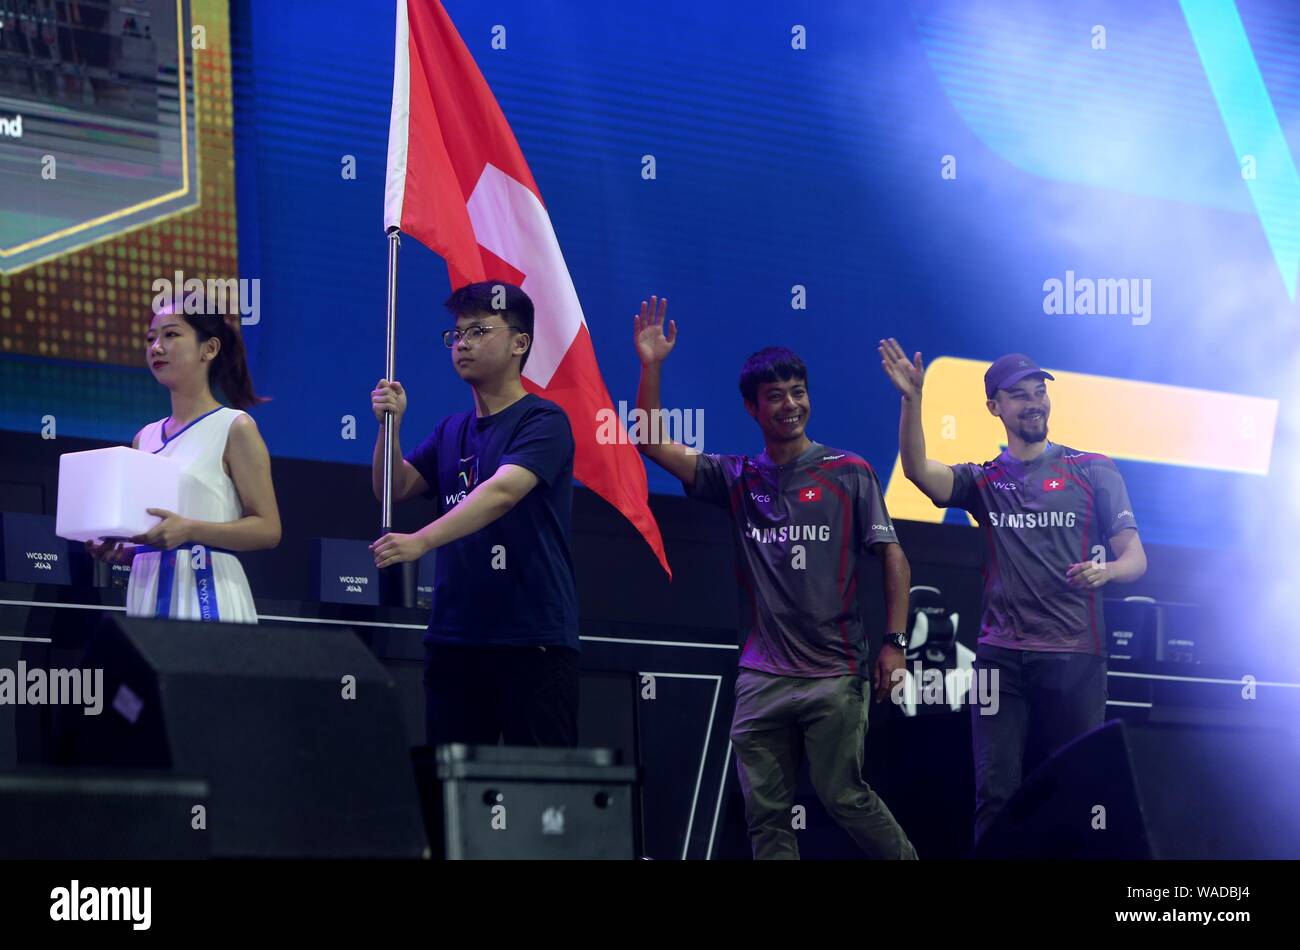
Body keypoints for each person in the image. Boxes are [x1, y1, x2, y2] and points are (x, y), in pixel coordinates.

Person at [634, 295, 917, 860]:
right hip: (761, 676)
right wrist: (651, 366)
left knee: (844, 796)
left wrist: (894, 644)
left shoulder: (850, 472)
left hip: (834, 672)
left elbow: (893, 558)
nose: (790, 404)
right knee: (765, 816)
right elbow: (649, 442)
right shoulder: (736, 477)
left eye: (798, 392)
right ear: (752, 408)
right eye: (775, 396)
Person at [878, 340, 1147, 846]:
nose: (1034, 403)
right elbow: (918, 472)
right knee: (995, 794)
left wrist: (1108, 571)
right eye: (1019, 395)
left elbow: (1136, 557)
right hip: (1001, 661)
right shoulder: (986, 480)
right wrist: (912, 401)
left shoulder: (1093, 469)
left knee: (1079, 791)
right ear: (994, 408)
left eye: (1039, 391)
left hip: (1075, 658)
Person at [369, 281, 580, 748]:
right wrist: (391, 427)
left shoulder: (543, 421)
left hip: (531, 639)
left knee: (542, 796)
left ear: (519, 343)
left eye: (479, 331)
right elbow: (394, 487)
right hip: (454, 638)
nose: (462, 343)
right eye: (457, 334)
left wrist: (420, 541)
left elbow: (503, 492)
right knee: (452, 796)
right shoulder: (451, 430)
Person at [85, 303, 280, 623]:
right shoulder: (143, 437)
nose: (156, 347)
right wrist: (123, 547)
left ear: (210, 348)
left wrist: (189, 529)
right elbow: (151, 529)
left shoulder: (234, 426)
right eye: (150, 339)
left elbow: (268, 529)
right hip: (146, 591)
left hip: (209, 593)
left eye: (171, 335)